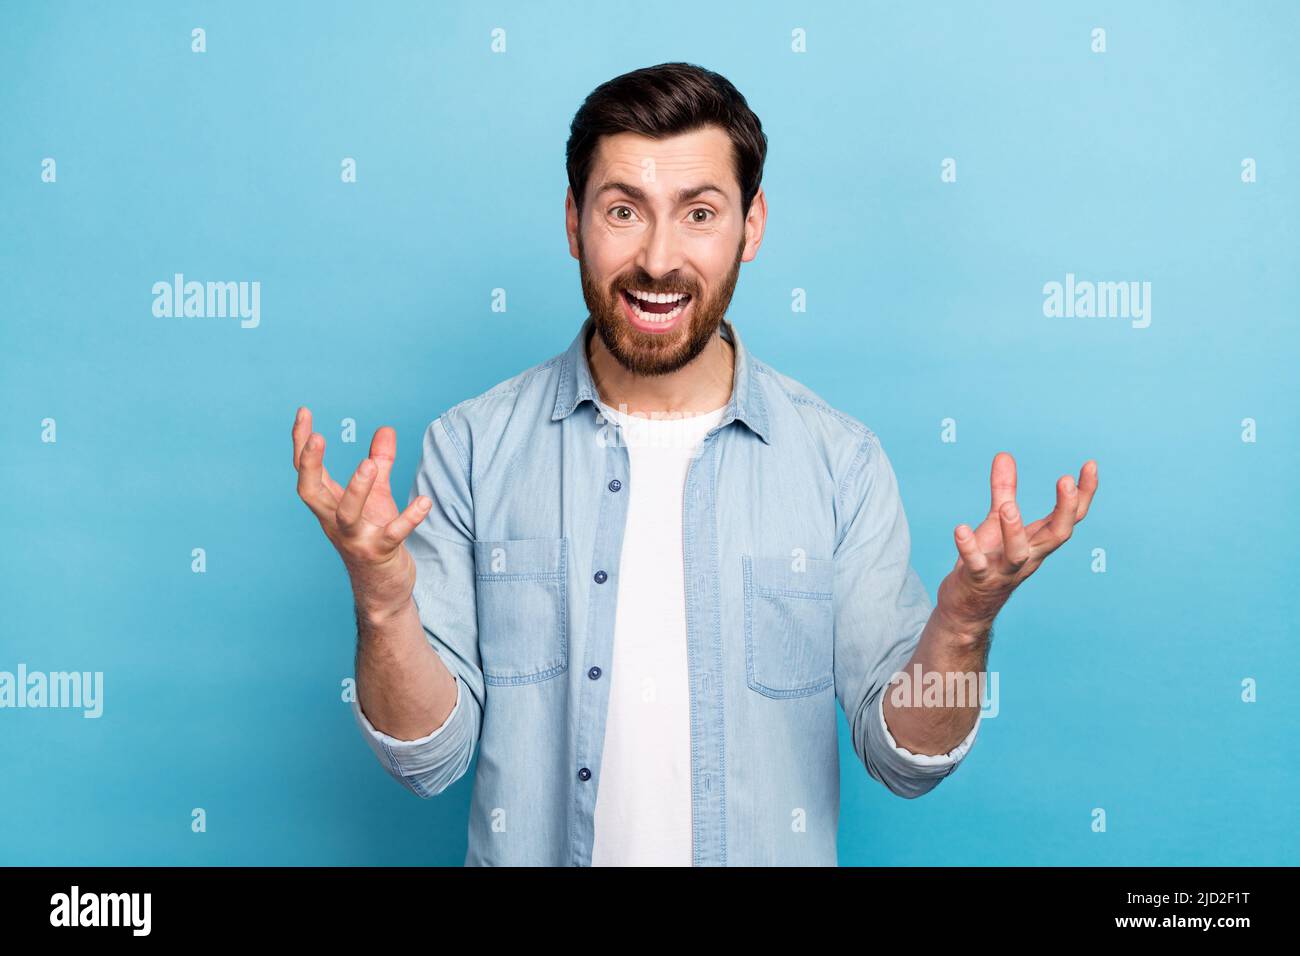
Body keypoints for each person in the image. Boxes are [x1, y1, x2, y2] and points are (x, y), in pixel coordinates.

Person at [291, 62, 1098, 866]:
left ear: (752, 226)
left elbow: (908, 761)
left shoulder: (839, 462)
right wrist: (385, 606)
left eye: (700, 213)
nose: (657, 258)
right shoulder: (471, 447)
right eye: (622, 210)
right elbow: (424, 760)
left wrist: (962, 627)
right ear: (573, 222)